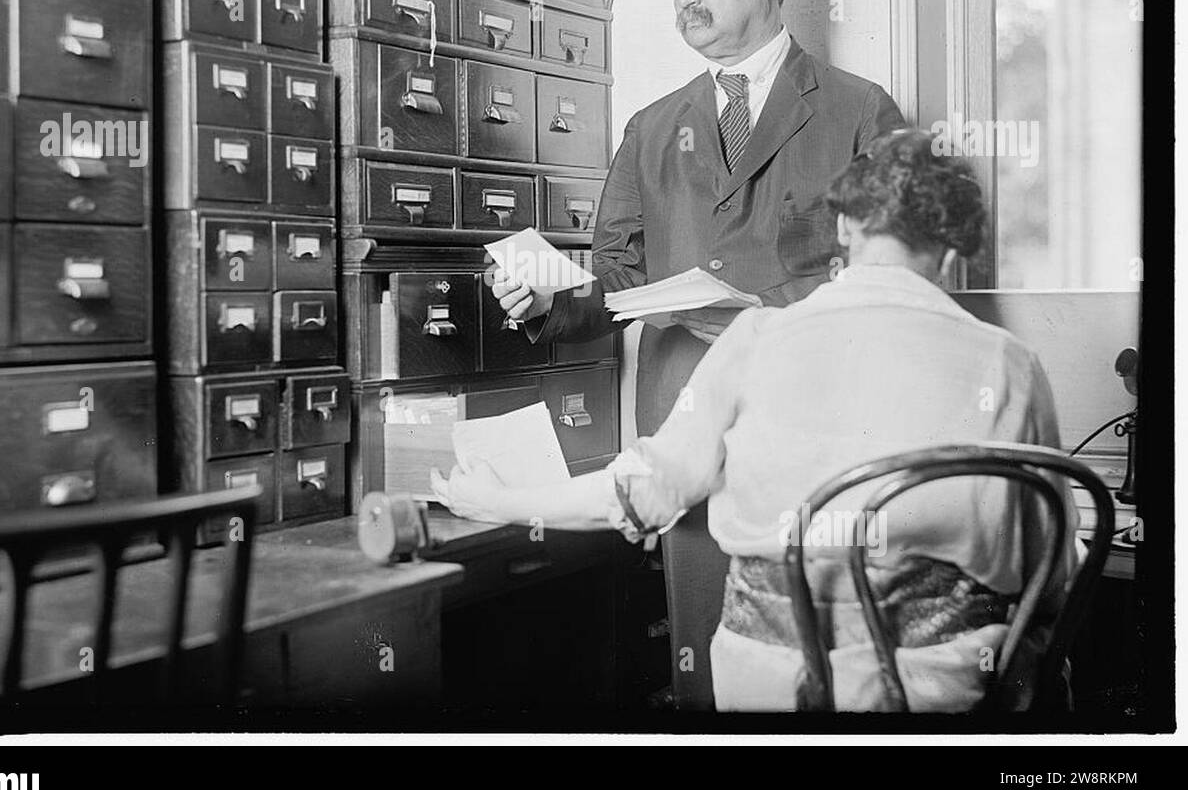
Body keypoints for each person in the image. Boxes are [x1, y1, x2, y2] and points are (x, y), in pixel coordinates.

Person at [436, 131, 1079, 711]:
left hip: (772, 688)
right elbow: (1053, 568)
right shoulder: (1012, 364)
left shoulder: (756, 338)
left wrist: (501, 499)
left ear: (847, 228)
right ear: (954, 249)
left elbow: (638, 494)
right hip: (942, 692)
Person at [490, 0, 906, 705]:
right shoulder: (653, 128)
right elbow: (615, 277)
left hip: (818, 441)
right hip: (687, 440)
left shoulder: (858, 111)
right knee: (708, 672)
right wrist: (541, 300)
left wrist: (768, 316)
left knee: (830, 674)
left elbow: (897, 287)